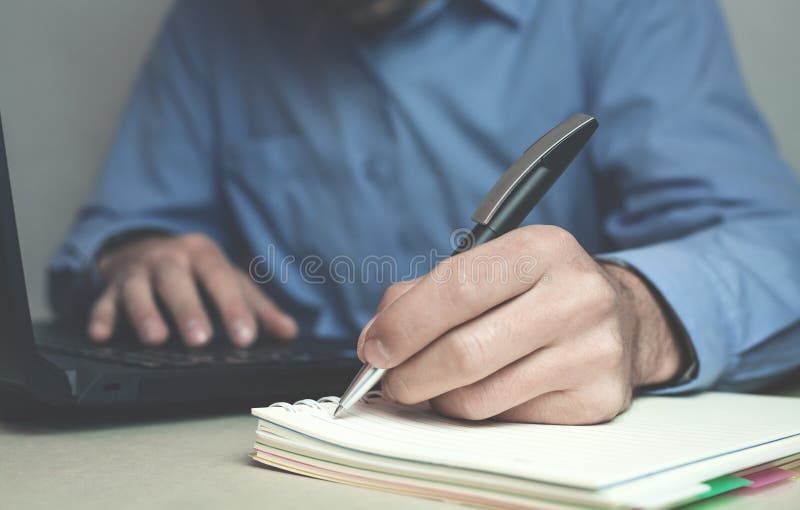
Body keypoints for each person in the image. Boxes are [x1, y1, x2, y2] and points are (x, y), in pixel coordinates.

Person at [49, 0, 800, 424]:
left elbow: (777, 245)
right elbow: (115, 228)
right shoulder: (210, 24)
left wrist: (637, 317)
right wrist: (135, 251)